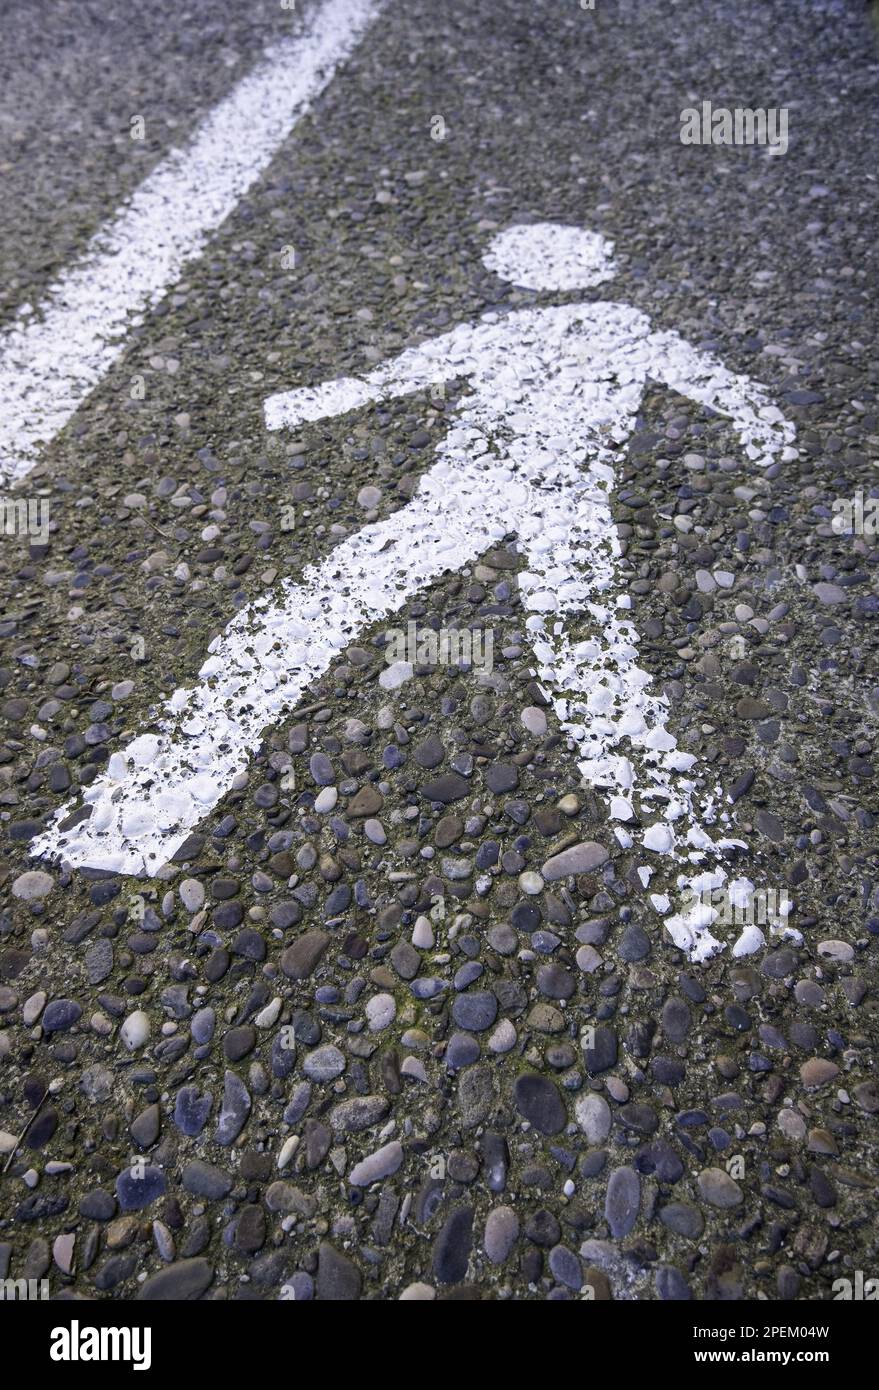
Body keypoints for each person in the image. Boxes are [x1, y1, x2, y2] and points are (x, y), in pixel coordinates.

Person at [34, 223, 797, 960]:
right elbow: (402, 373)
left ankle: (709, 882)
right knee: (576, 664)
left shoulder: (620, 327)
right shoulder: (505, 330)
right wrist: (309, 402)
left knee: (566, 662)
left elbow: (704, 377)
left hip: (544, 501)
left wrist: (757, 417)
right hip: (470, 494)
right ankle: (711, 890)